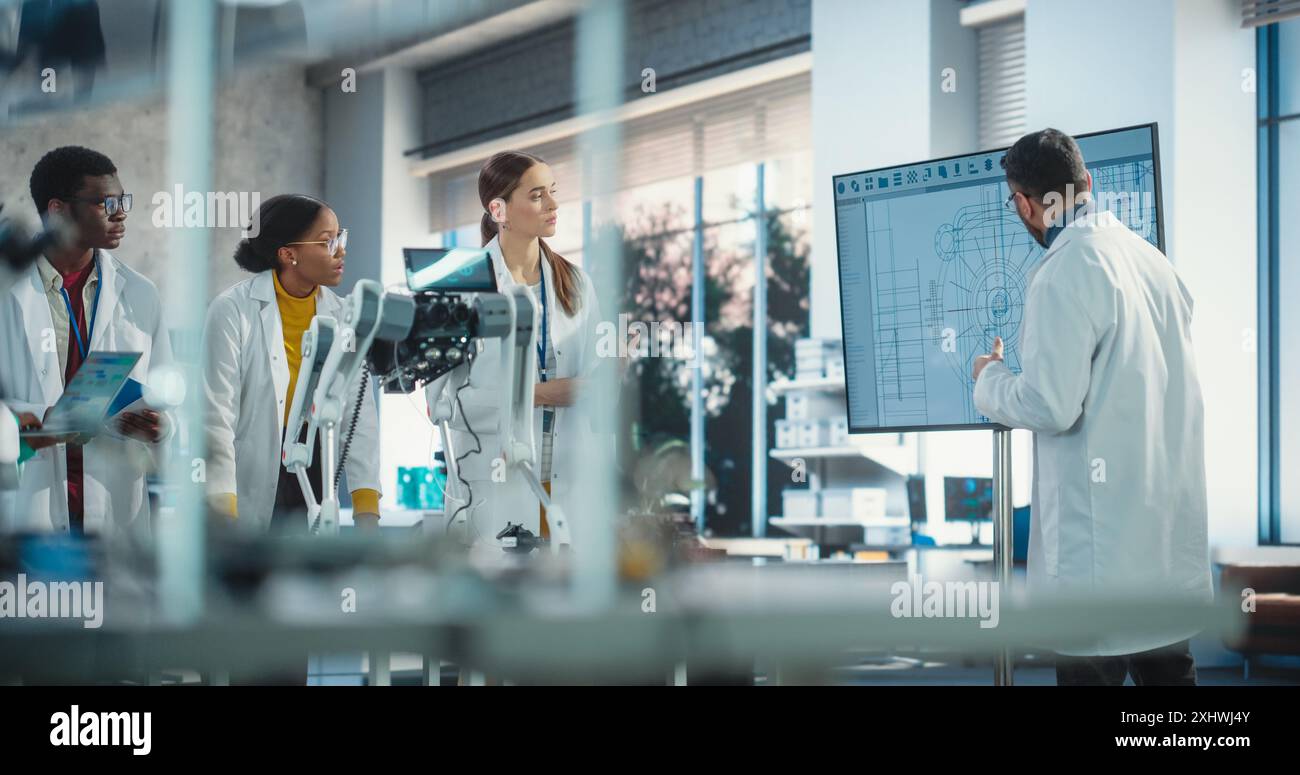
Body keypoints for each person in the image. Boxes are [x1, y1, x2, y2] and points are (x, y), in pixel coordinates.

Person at [970, 128, 1212, 685]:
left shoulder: (1063, 272)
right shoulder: (1155, 265)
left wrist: (991, 379)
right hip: (1164, 555)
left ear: (1026, 203)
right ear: (1089, 182)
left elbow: (1051, 406)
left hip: (1100, 563)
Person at [428, 150, 606, 545]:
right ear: (499, 209)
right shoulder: (459, 283)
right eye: (538, 195)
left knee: (564, 596)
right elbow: (441, 404)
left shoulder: (576, 282)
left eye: (553, 192)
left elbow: (594, 385)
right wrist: (540, 395)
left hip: (567, 477)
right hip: (491, 479)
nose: (554, 205)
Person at [0, 145, 170, 536]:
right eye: (106, 202)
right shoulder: (8, 291)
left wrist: (160, 427)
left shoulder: (141, 294)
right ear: (58, 209)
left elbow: (163, 391)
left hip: (115, 507)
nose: (121, 211)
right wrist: (41, 425)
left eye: (122, 199)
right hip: (30, 505)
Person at [202, 194, 381, 534]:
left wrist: (366, 509)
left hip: (315, 466)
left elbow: (359, 419)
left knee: (310, 581)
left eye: (341, 238)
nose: (341, 251)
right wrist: (223, 506)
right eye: (328, 242)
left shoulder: (344, 316)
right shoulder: (233, 310)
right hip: (248, 479)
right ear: (288, 254)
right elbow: (215, 417)